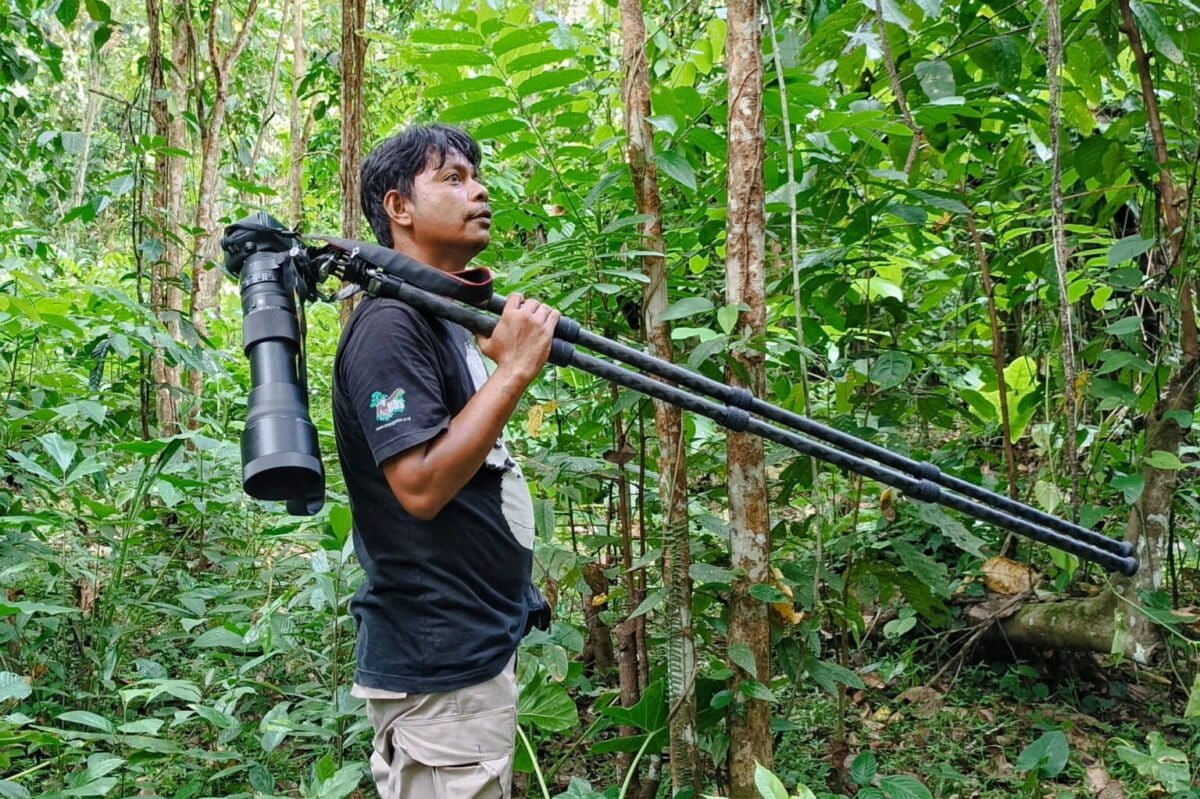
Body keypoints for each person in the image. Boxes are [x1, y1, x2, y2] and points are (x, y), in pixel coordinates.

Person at [331, 123, 559, 798]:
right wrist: (514, 372)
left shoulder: (438, 317)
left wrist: (495, 367)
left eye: (477, 175)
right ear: (398, 207)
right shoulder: (390, 324)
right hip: (440, 666)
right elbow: (421, 484)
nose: (478, 189)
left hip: (468, 654)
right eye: (452, 178)